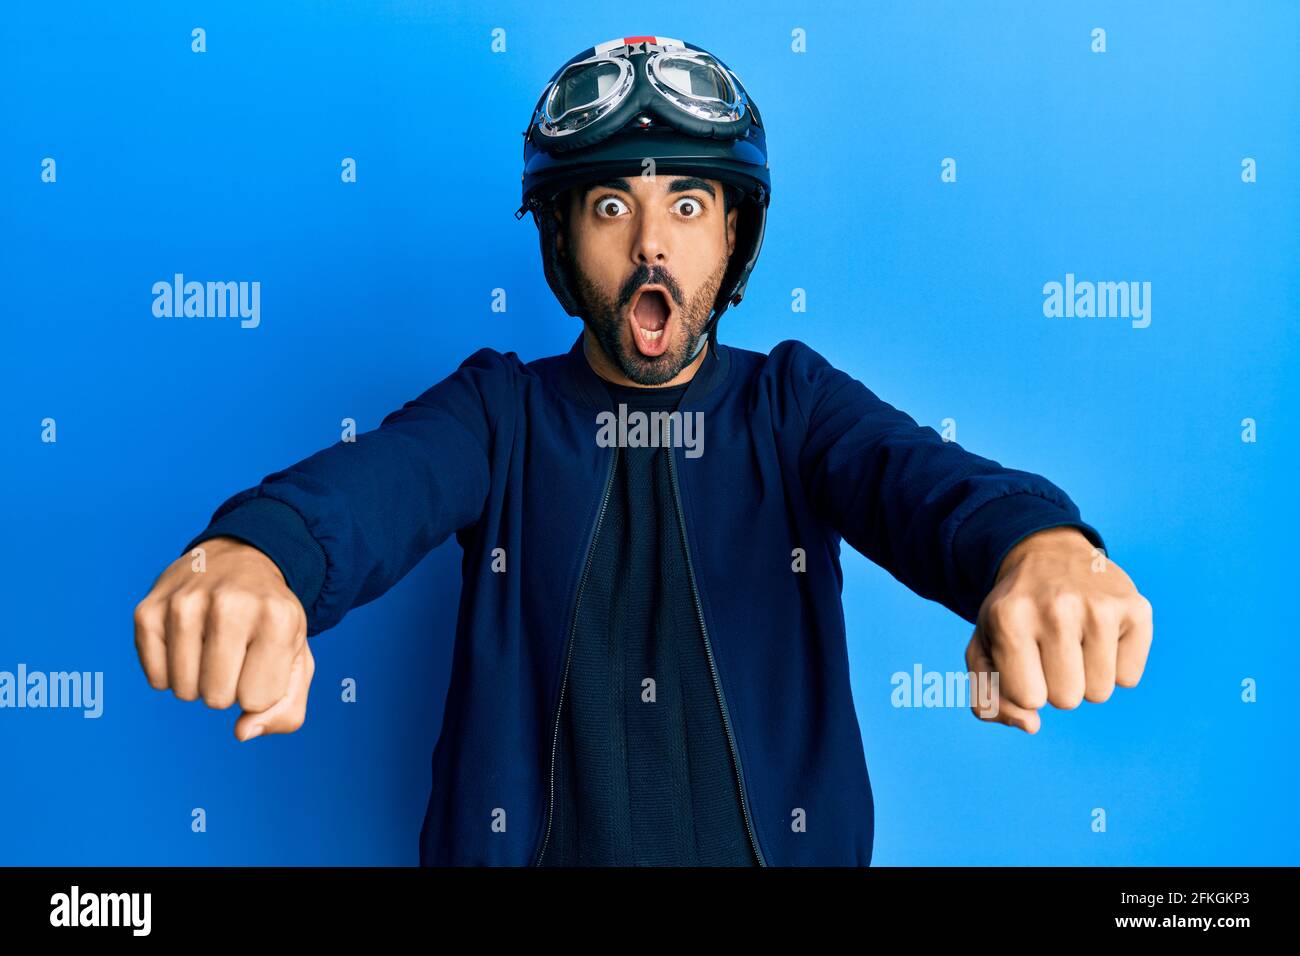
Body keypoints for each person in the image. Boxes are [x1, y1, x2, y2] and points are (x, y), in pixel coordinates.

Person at [133, 36, 1153, 867]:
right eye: (611, 206)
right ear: (563, 243)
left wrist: (1039, 546)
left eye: (688, 205)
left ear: (732, 239)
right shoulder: (500, 411)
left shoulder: (793, 403)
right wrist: (258, 557)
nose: (651, 244)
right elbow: (372, 489)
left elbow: (922, 483)